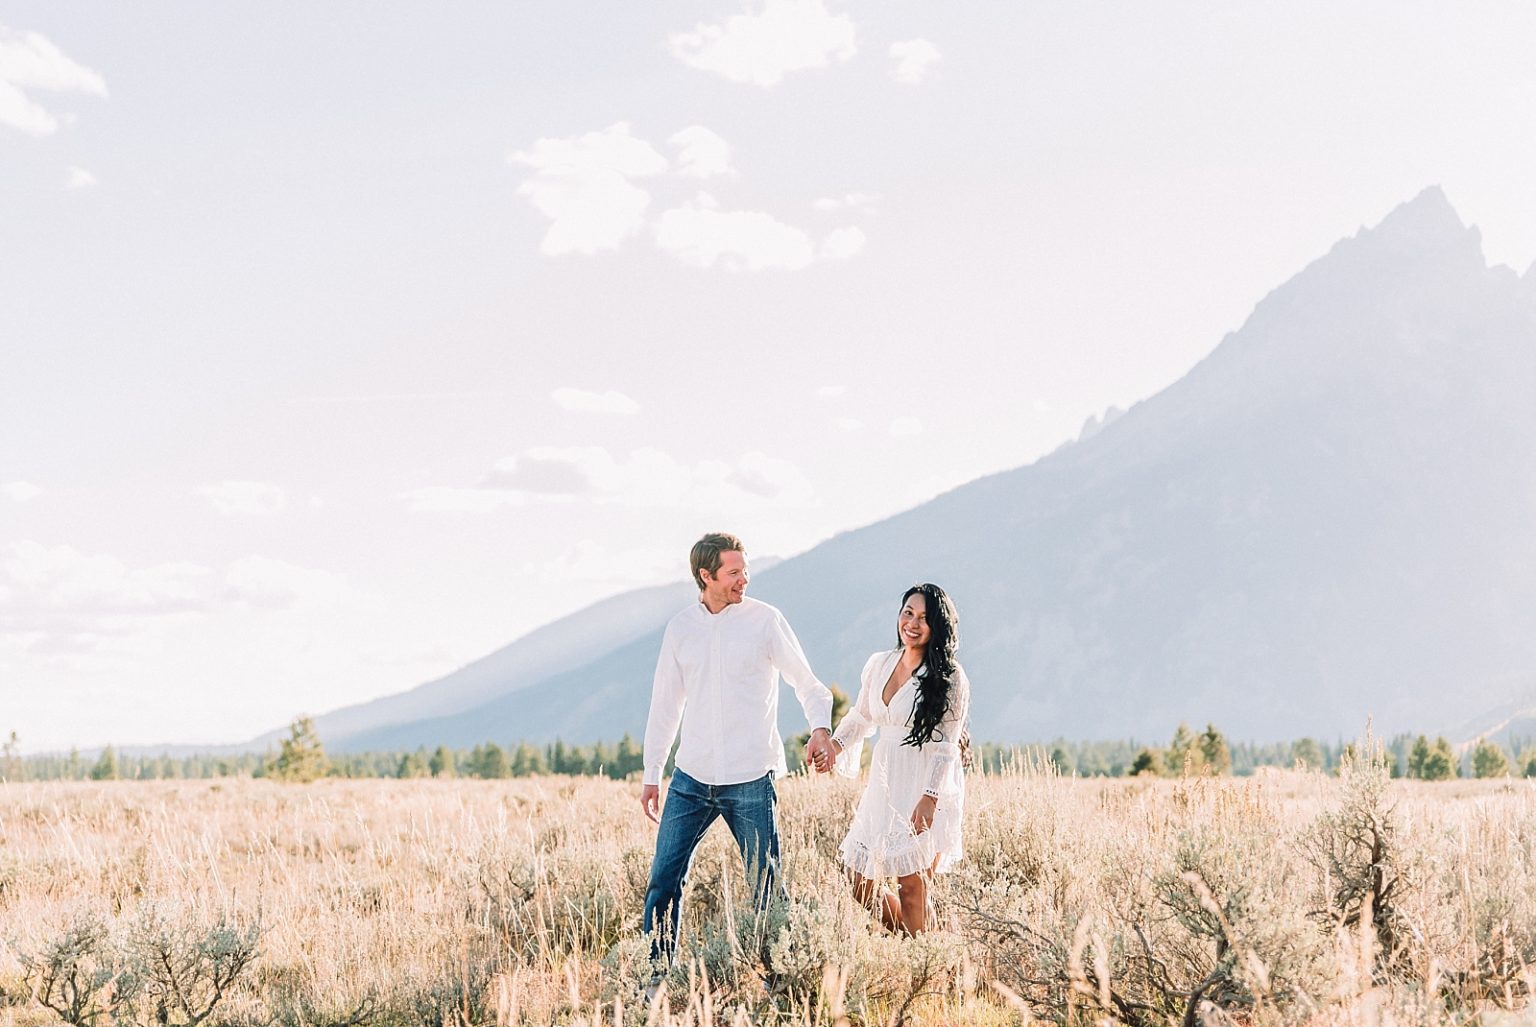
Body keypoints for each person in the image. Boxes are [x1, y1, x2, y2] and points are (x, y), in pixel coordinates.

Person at [639, 532, 838, 970]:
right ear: (705, 576)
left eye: (745, 570)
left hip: (750, 777)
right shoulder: (681, 629)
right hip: (691, 778)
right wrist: (652, 771)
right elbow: (665, 703)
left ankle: (782, 976)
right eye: (733, 572)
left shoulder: (765, 621)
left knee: (766, 886)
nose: (743, 579)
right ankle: (653, 976)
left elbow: (806, 683)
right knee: (663, 882)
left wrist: (821, 729)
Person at [830, 583, 970, 935]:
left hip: (924, 783)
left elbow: (946, 745)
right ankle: (917, 944)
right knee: (857, 874)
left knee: (913, 885)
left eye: (924, 617)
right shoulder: (879, 664)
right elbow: (861, 717)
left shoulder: (949, 677)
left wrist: (930, 798)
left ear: (938, 626)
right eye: (908, 612)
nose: (913, 622)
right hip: (884, 783)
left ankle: (925, 962)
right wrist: (835, 745)